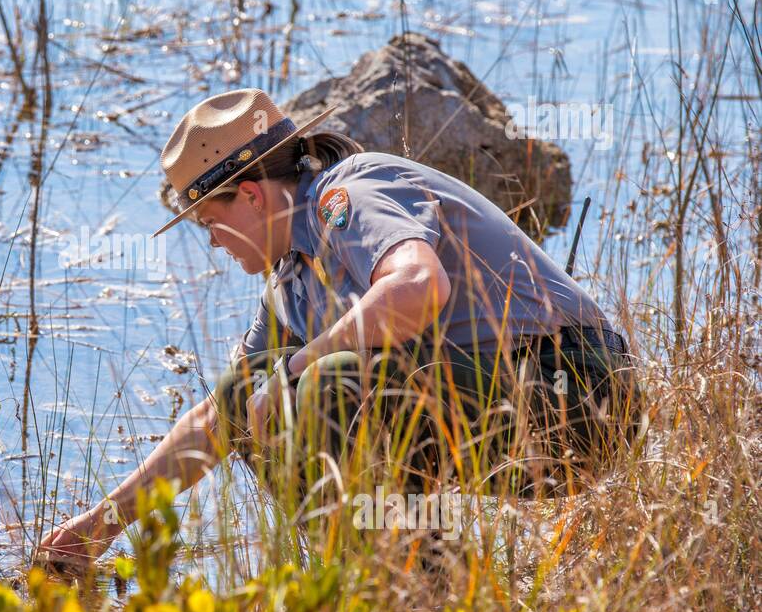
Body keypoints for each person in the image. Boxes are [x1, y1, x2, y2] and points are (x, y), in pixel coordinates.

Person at [36, 88, 644, 573]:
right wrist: (98, 527)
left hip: (583, 395)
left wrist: (298, 367)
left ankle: (409, 589)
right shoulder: (290, 276)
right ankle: (403, 588)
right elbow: (215, 422)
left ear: (250, 195)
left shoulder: (347, 194)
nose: (213, 243)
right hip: (513, 407)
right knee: (247, 403)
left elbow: (418, 285)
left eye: (208, 223)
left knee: (322, 383)